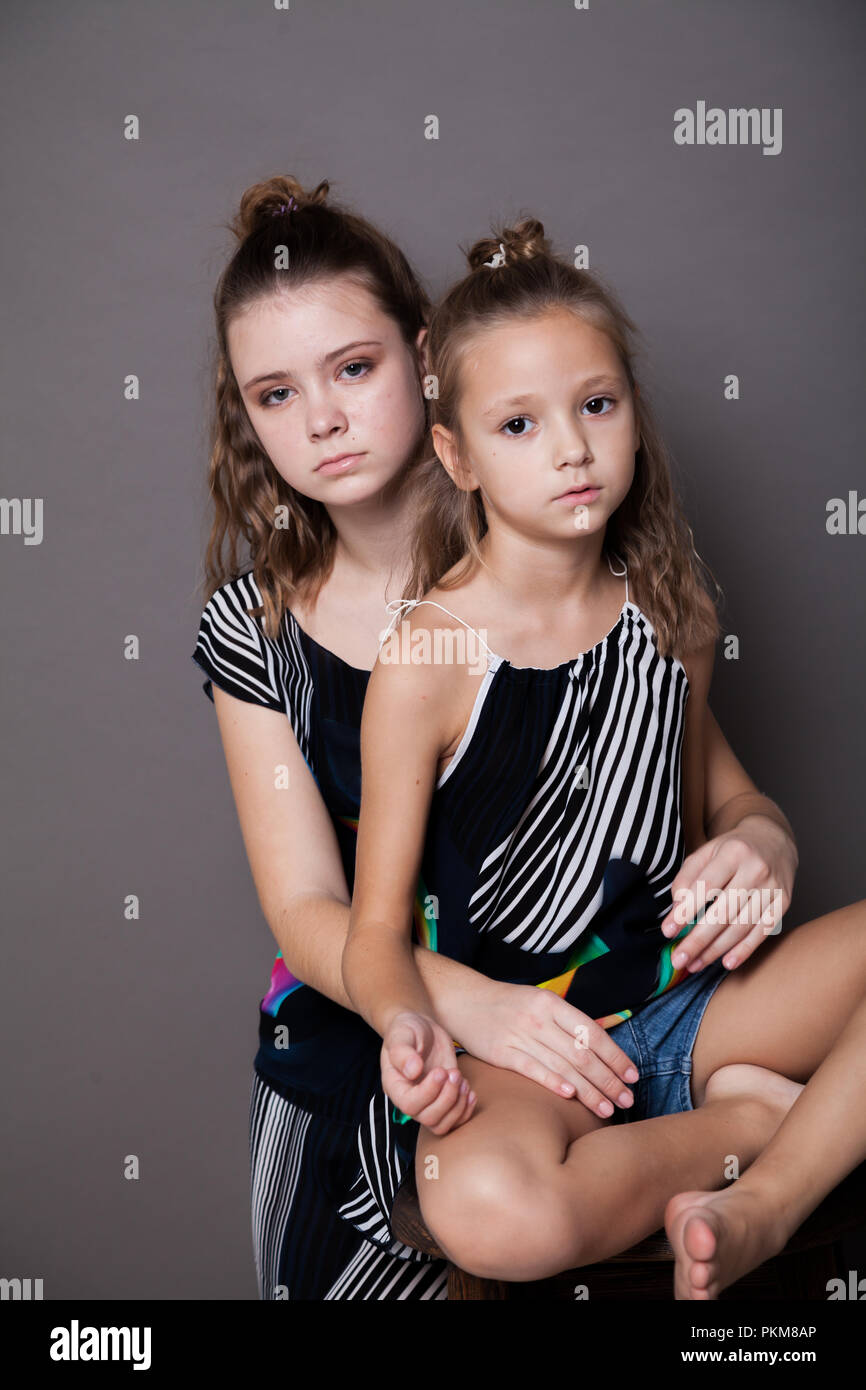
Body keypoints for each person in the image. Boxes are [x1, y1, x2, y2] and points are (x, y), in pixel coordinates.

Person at [191, 175, 761, 1299]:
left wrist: (766, 841)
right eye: (274, 394)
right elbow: (308, 907)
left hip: (592, 1023)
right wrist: (473, 1006)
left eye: (353, 368)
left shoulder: (566, 566)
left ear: (425, 360)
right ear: (245, 417)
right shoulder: (250, 627)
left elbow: (703, 793)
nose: (321, 419)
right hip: (367, 1042)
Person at [340, 216, 866, 1300]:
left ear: (632, 410)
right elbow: (372, 933)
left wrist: (762, 834)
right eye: (519, 424)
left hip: (688, 998)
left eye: (595, 405)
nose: (572, 448)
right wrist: (407, 1025)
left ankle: (762, 1202)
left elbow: (731, 800)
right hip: (525, 1050)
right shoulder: (428, 657)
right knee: (494, 1213)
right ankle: (750, 1124)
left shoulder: (670, 615)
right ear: (458, 457)